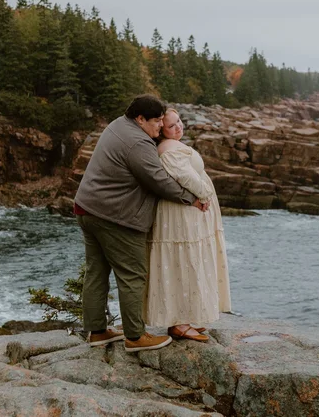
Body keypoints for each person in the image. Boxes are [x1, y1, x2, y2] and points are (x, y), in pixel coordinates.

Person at [74, 95, 208, 353]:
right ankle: (135, 336)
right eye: (156, 121)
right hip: (114, 216)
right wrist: (190, 198)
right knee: (133, 275)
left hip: (87, 208)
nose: (160, 126)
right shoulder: (138, 142)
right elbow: (157, 179)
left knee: (96, 272)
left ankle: (97, 331)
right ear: (140, 119)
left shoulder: (118, 124)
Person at [144, 108, 231, 342]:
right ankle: (179, 323)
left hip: (185, 212)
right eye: (172, 126)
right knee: (182, 262)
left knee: (186, 261)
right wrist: (205, 195)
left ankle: (184, 319)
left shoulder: (171, 146)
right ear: (162, 130)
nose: (178, 127)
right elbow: (184, 176)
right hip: (180, 215)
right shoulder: (169, 149)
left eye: (179, 121)